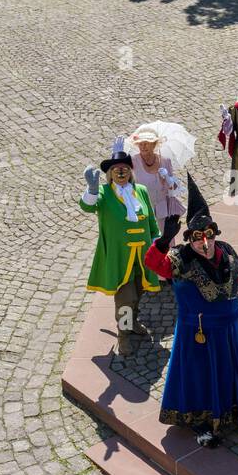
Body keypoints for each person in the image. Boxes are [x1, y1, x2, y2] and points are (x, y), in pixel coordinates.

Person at [143, 198, 238, 448]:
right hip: (197, 335)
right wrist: (162, 241)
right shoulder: (179, 258)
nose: (204, 242)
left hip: (228, 331)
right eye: (196, 237)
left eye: (209, 235)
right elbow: (153, 264)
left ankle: (227, 411)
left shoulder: (226, 250)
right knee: (200, 377)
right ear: (189, 238)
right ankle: (200, 423)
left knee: (226, 372)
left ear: (215, 233)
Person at [79, 139, 160, 356]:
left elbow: (150, 221)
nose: (121, 172)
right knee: (126, 298)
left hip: (143, 257)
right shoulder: (104, 193)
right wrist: (92, 189)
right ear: (110, 174)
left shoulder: (140, 190)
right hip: (120, 257)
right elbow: (86, 206)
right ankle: (123, 336)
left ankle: (132, 322)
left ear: (130, 171)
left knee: (139, 292)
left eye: (124, 168)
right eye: (116, 169)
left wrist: (158, 242)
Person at [128, 124, 186, 228]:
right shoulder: (133, 162)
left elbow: (173, 188)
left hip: (162, 210)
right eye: (140, 143)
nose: (143, 146)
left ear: (154, 144)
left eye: (146, 143)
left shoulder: (165, 161)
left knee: (163, 240)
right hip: (142, 210)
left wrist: (167, 179)